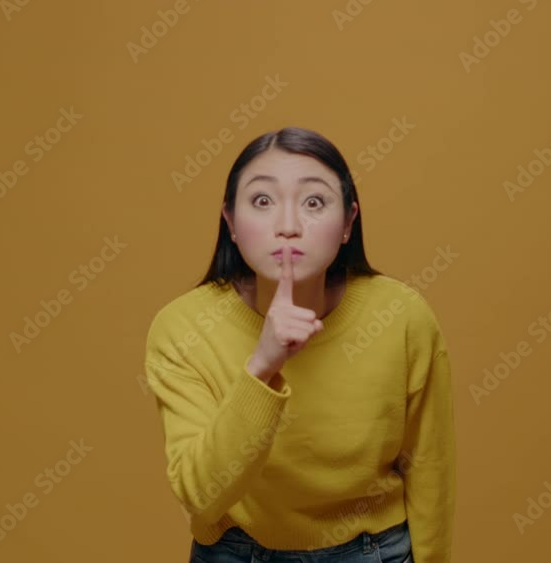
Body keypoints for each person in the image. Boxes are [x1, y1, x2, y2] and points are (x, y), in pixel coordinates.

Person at [144, 126, 455, 563]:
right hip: (236, 552)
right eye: (262, 201)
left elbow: (429, 467)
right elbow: (201, 496)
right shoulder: (182, 327)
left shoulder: (401, 316)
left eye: (314, 202)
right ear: (230, 222)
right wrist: (262, 367)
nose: (288, 227)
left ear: (348, 222)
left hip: (372, 552)